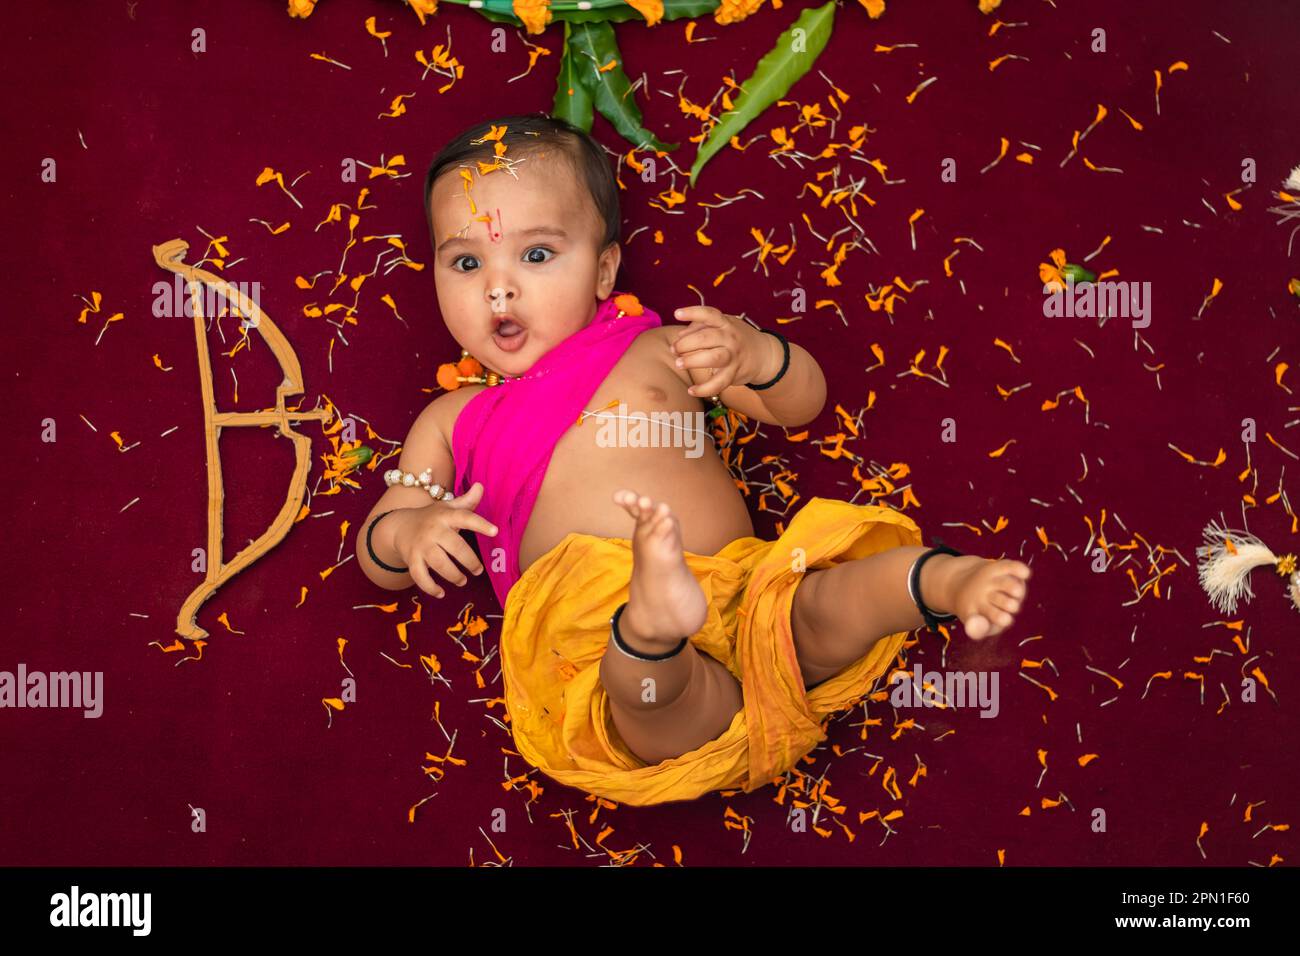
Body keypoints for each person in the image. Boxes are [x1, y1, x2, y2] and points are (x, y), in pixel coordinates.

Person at [355, 113, 1032, 806]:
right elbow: (379, 554)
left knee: (818, 608)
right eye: (467, 262)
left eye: (534, 256)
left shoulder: (659, 348)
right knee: (645, 700)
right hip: (595, 637)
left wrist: (758, 357)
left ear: (604, 269)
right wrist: (410, 532)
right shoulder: (453, 417)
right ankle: (653, 632)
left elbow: (800, 403)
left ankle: (938, 583)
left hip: (742, 590)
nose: (498, 288)